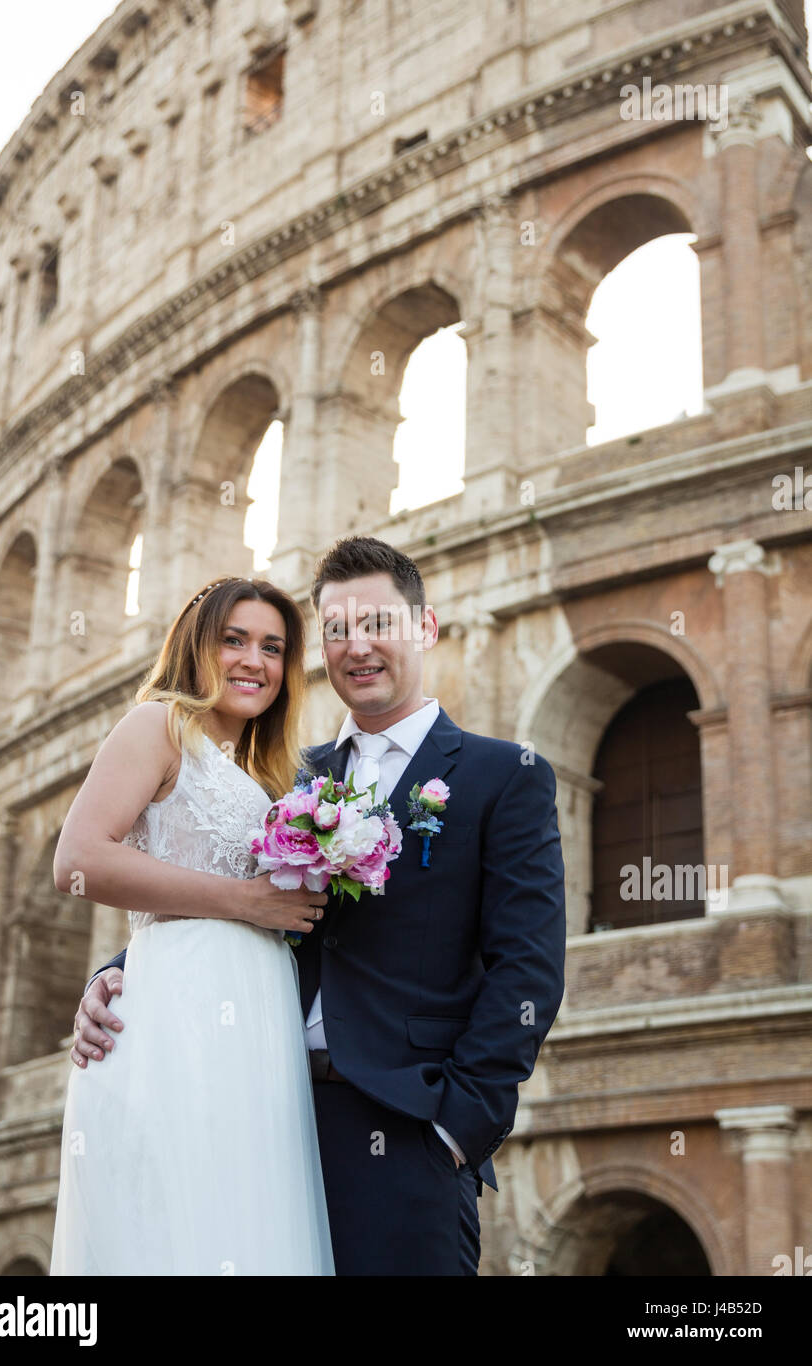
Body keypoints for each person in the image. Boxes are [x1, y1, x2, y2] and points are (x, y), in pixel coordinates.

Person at [75, 536, 566, 1276]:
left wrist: (459, 1128)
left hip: (404, 1127)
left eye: (378, 624)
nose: (357, 646)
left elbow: (527, 967)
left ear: (425, 629)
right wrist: (119, 973)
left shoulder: (504, 777)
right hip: (254, 1110)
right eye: (337, 630)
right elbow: (235, 895)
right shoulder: (283, 781)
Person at [50, 576, 334, 1275]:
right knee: (175, 1217)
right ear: (196, 644)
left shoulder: (267, 776)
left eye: (272, 647)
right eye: (233, 639)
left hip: (258, 1021)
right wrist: (245, 901)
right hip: (181, 1011)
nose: (253, 661)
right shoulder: (158, 724)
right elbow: (79, 859)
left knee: (245, 1220)